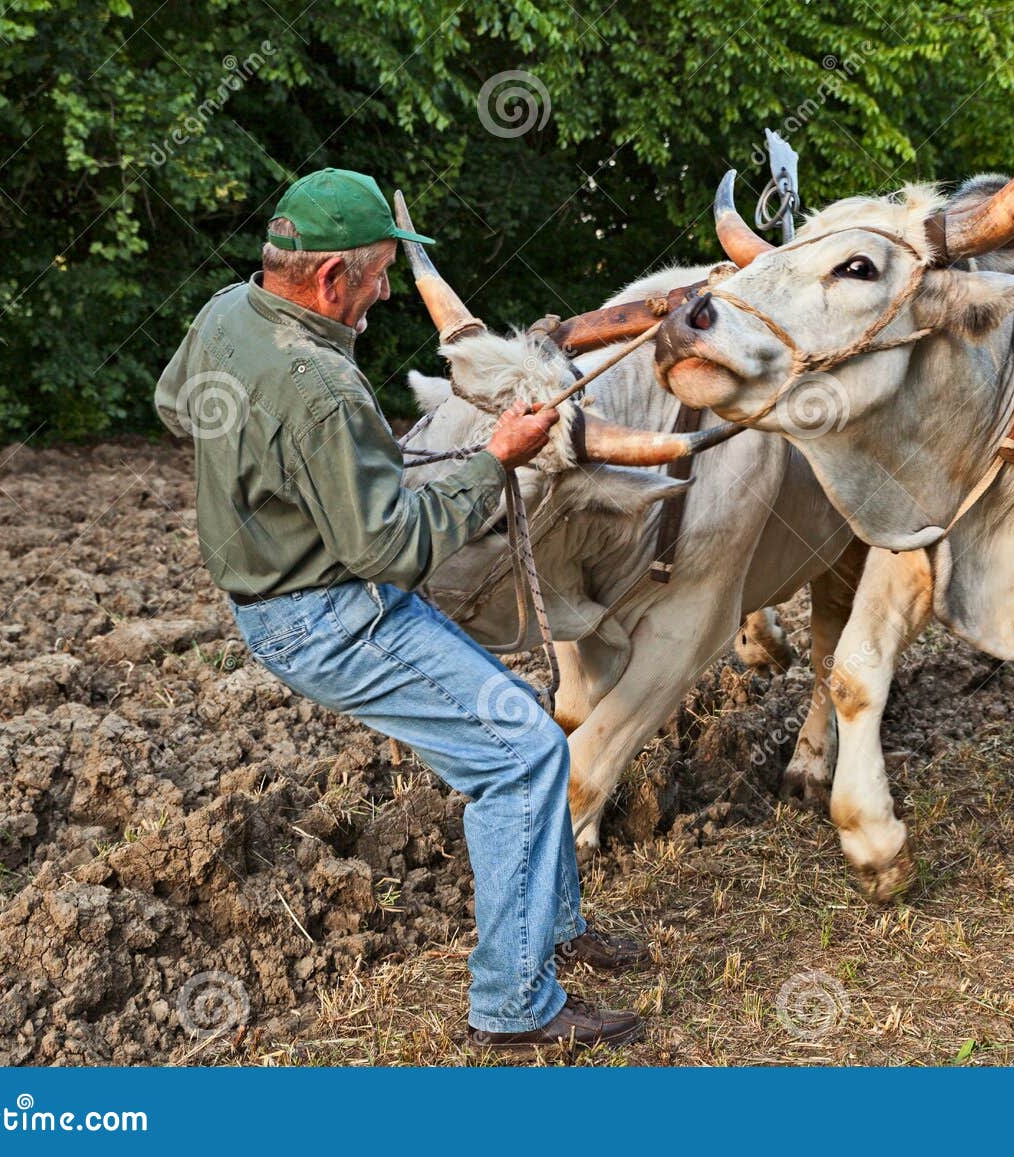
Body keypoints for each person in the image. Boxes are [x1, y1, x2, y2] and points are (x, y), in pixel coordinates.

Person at [155, 167, 647, 1053]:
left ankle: (553, 924)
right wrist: (495, 456)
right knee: (523, 753)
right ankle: (515, 1002)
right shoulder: (324, 389)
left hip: (278, 595)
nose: (387, 290)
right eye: (381, 273)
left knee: (518, 736)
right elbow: (390, 547)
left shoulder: (229, 313)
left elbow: (174, 406)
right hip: (329, 614)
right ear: (332, 278)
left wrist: (288, 479)